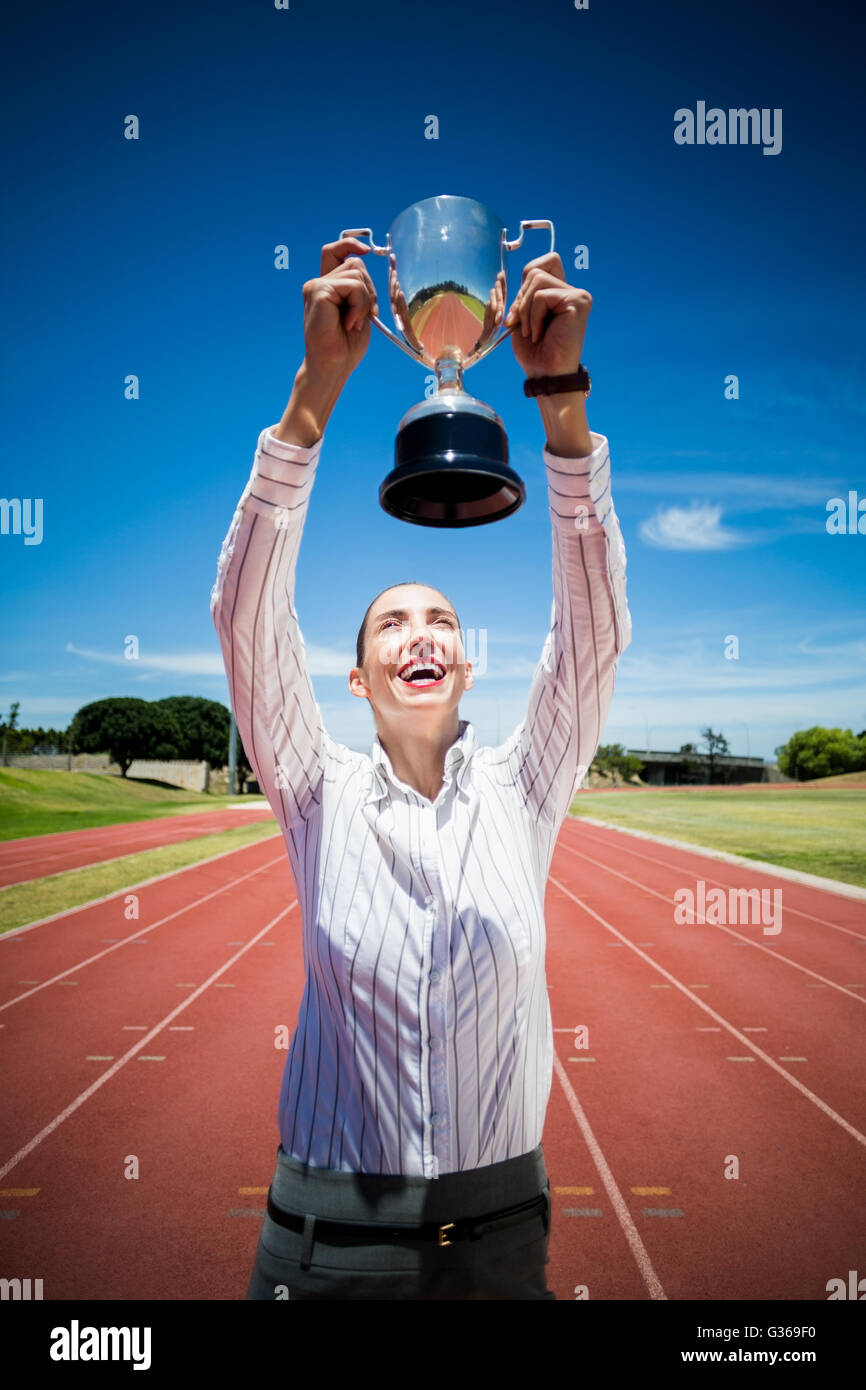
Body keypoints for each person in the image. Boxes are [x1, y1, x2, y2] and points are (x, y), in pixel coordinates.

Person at [210, 235, 631, 1300]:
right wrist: (313, 399)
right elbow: (246, 620)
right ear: (356, 680)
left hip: (499, 1244)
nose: (417, 631)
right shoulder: (314, 793)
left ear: (463, 662)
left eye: (438, 616)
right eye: (389, 623)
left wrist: (561, 412)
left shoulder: (524, 790)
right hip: (322, 1247)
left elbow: (590, 642)